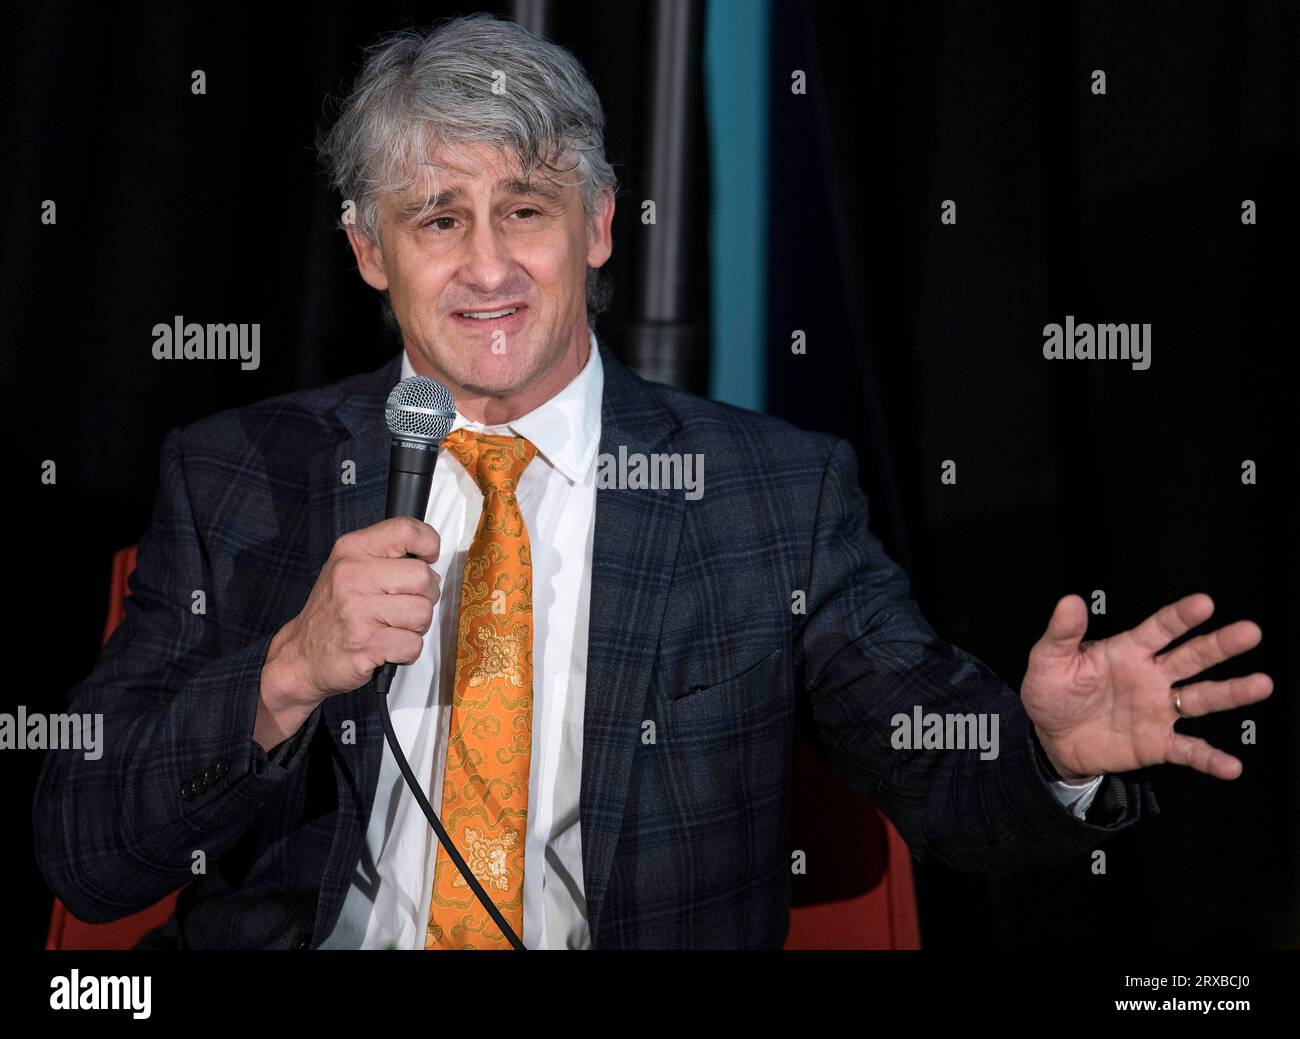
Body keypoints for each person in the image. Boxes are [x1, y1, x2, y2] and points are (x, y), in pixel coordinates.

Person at [33, 13, 1271, 950]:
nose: (485, 268)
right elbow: (87, 851)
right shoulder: (242, 477)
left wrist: (1048, 751)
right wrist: (287, 669)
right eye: (434, 219)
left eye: (524, 208)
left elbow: (928, 761)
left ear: (600, 226)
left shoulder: (772, 497)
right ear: (368, 251)